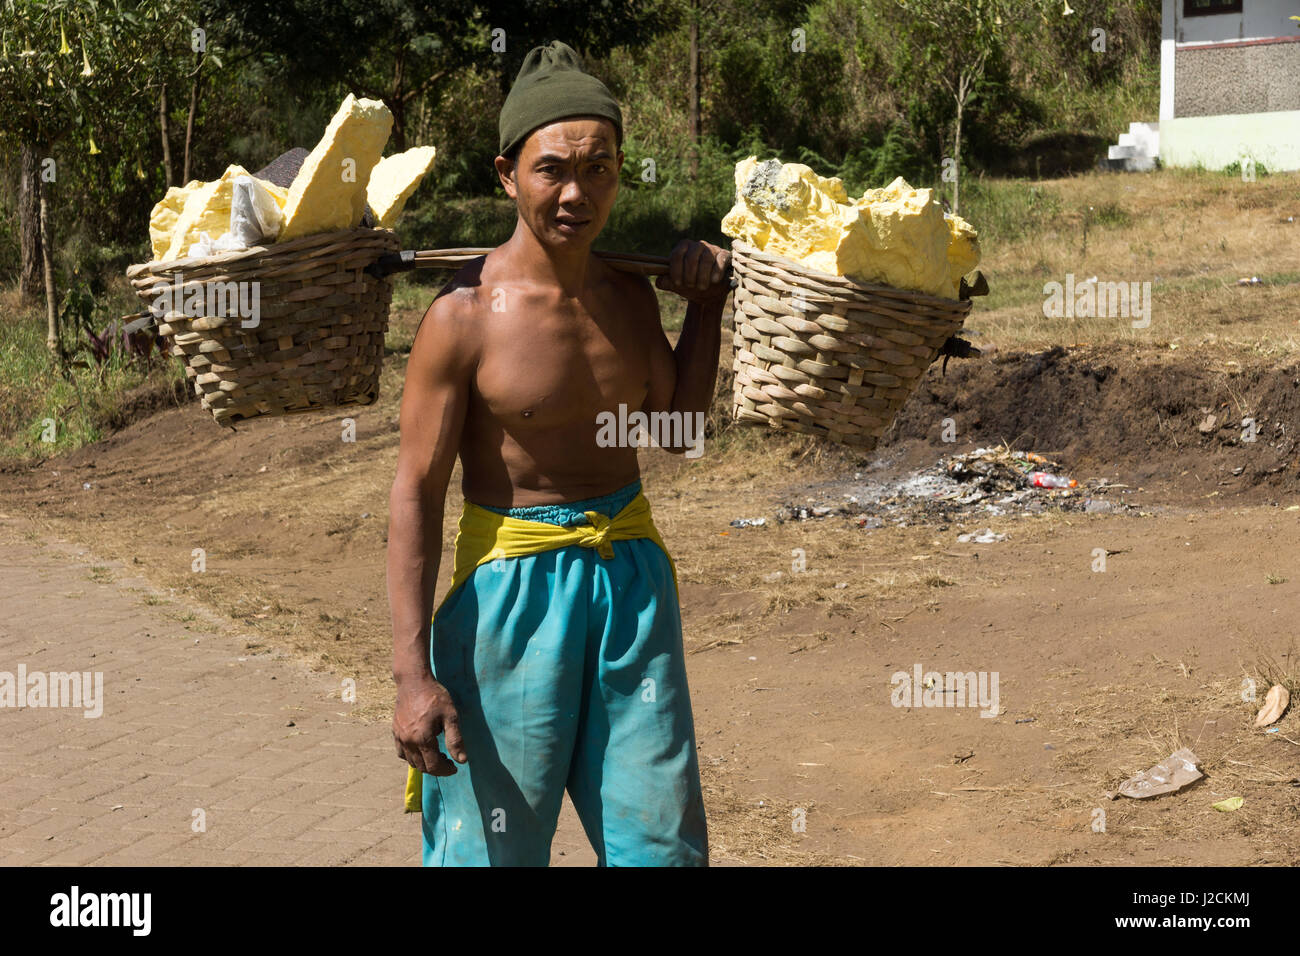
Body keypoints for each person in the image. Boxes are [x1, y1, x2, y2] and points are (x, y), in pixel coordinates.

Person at [386, 40, 730, 866]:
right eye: (553, 171)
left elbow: (675, 435)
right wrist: (410, 674)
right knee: (489, 852)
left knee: (660, 846)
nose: (578, 192)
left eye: (600, 167)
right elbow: (415, 493)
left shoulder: (629, 297)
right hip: (508, 597)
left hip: (630, 583)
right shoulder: (463, 317)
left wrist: (707, 308)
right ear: (509, 175)